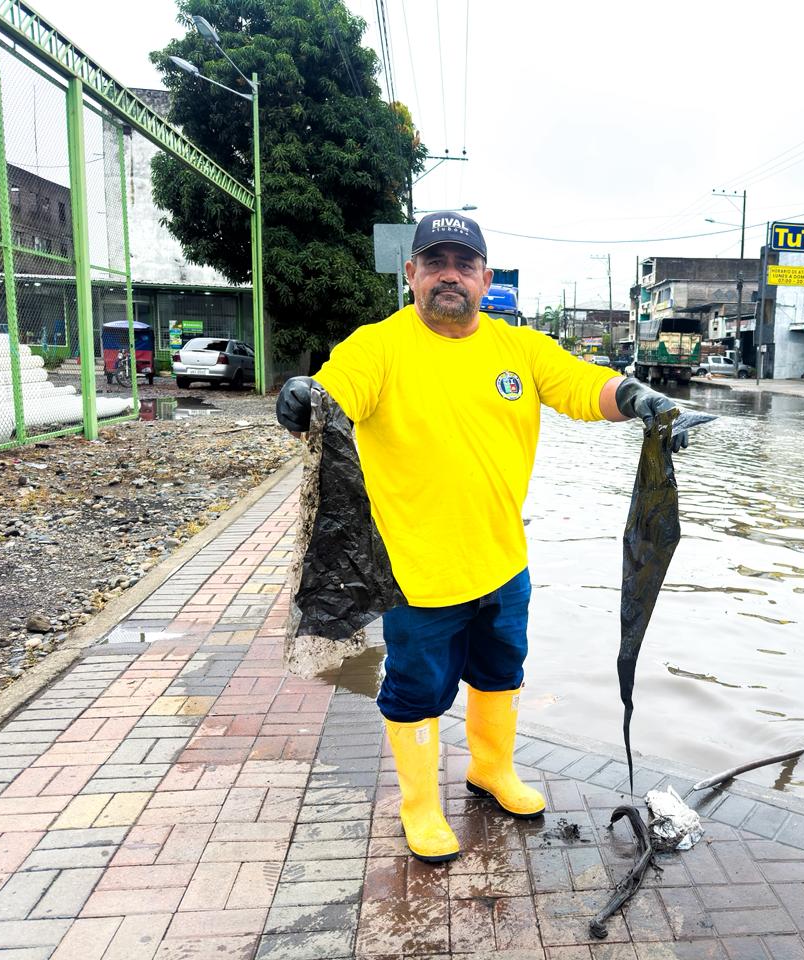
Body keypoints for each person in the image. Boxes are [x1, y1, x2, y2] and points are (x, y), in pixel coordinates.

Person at [275, 212, 688, 863]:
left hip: (502, 564)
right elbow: (339, 389)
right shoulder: (378, 345)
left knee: (501, 671)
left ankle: (491, 770)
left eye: (463, 264)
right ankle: (419, 803)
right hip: (415, 569)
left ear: (484, 278)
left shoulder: (519, 349)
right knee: (416, 689)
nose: (449, 274)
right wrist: (308, 395)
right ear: (411, 273)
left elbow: (582, 386)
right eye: (434, 262)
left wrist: (638, 397)